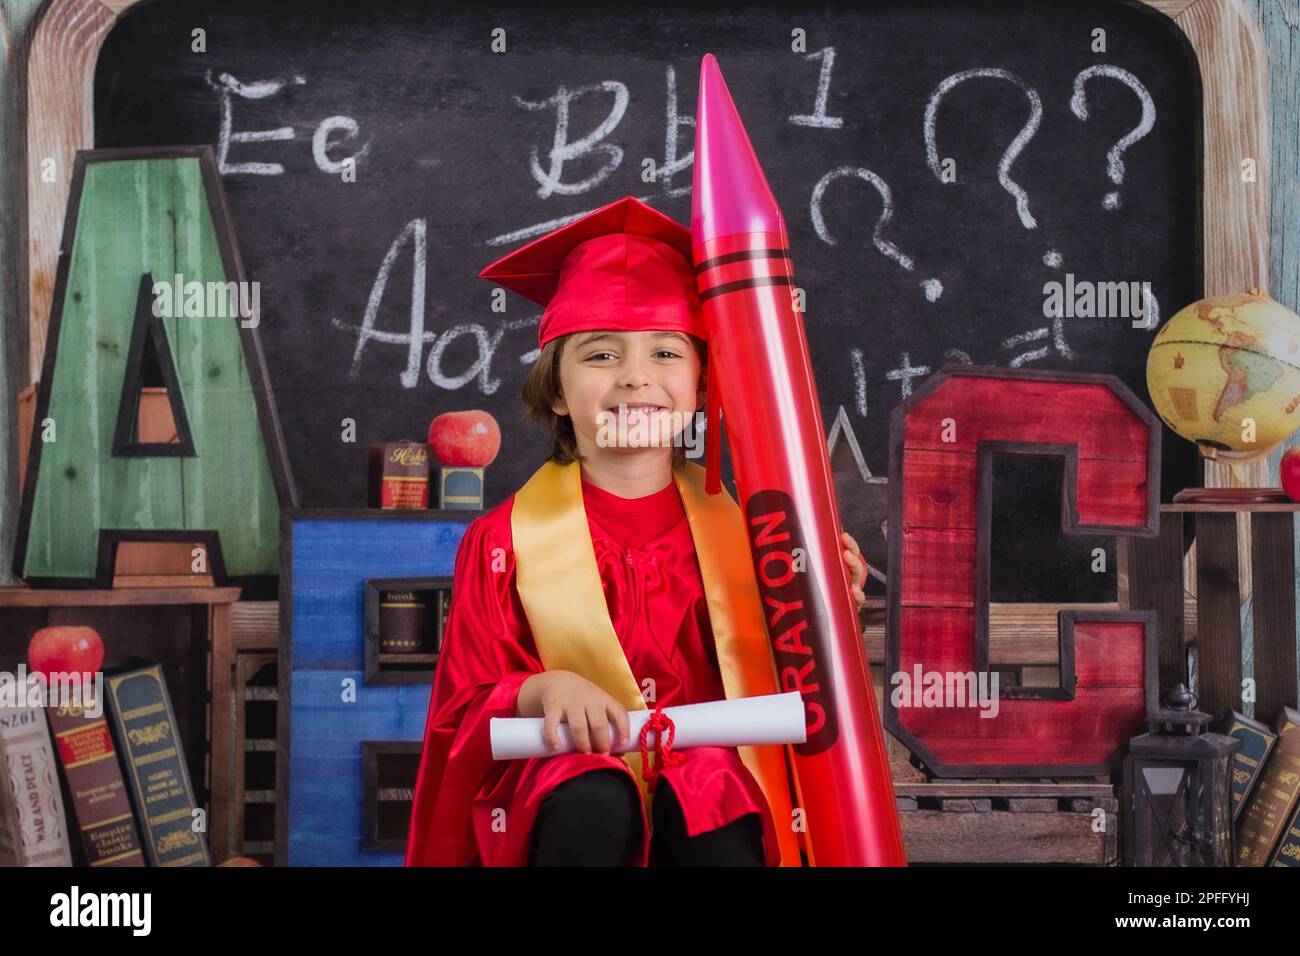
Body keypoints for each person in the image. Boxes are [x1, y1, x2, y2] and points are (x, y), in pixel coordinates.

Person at [404, 196, 868, 867]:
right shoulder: (503, 543)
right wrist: (542, 690)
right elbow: (464, 711)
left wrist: (827, 618)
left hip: (717, 778)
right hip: (564, 784)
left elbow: (795, 689)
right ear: (556, 390)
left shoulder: (753, 539)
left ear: (703, 382)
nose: (634, 376)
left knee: (714, 800)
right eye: (599, 354)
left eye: (665, 351)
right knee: (592, 796)